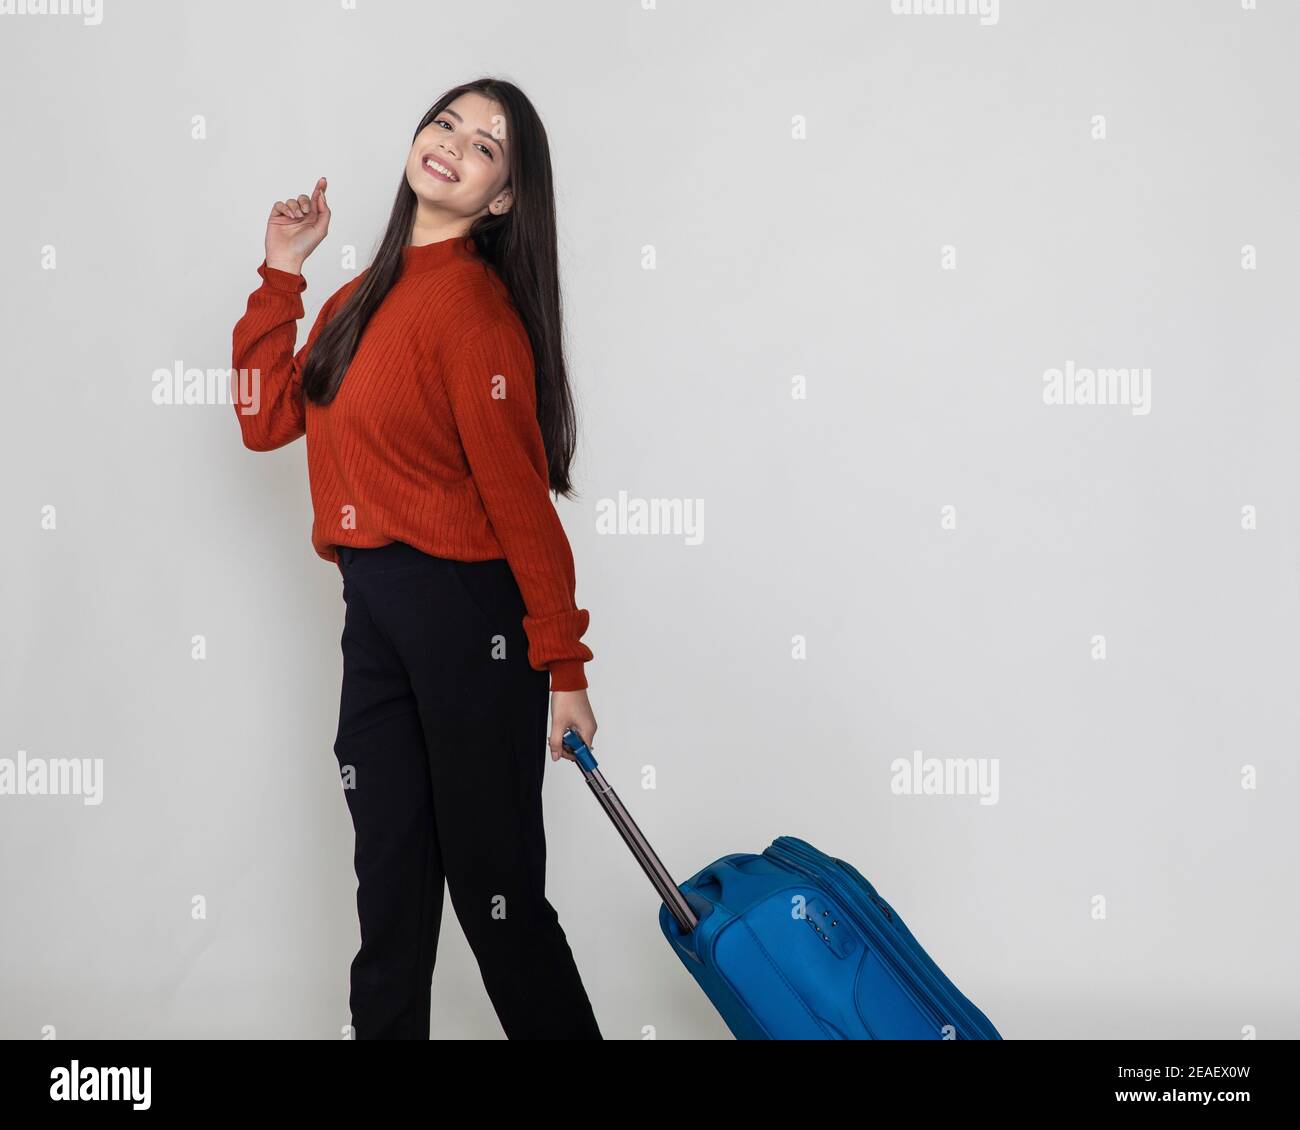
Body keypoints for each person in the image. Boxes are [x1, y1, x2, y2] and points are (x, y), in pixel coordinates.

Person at [230, 78, 602, 1040]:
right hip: (376, 617)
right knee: (389, 896)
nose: (454, 143)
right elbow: (262, 417)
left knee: (498, 904)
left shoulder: (475, 315)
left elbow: (521, 505)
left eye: (486, 145)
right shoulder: (361, 296)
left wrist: (563, 669)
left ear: (503, 197)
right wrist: (281, 272)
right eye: (446, 122)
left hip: (469, 620)